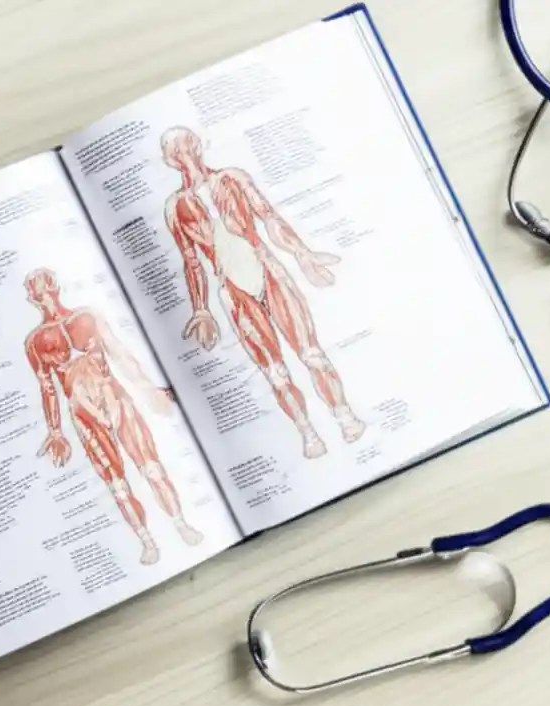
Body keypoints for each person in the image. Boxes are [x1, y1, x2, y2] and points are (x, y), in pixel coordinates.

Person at [160, 126, 365, 459]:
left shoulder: (232, 178)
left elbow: (269, 218)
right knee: (275, 371)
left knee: (311, 353)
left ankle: (344, 416)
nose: (184, 156)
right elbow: (191, 262)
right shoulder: (176, 207)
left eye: (187, 147)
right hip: (232, 289)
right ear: (169, 161)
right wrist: (201, 309)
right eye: (175, 152)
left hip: (267, 269)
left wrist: (301, 252)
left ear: (198, 146)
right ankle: (308, 434)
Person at [24, 269, 202, 565]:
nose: (44, 296)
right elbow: (47, 388)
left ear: (56, 286)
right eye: (37, 292)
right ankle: (147, 542)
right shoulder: (36, 342)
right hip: (84, 414)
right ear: (31, 299)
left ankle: (181, 524)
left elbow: (119, 353)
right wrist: (55, 431)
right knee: (116, 484)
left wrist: (149, 389)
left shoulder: (87, 316)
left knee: (151, 466)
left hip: (116, 398)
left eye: (46, 288)